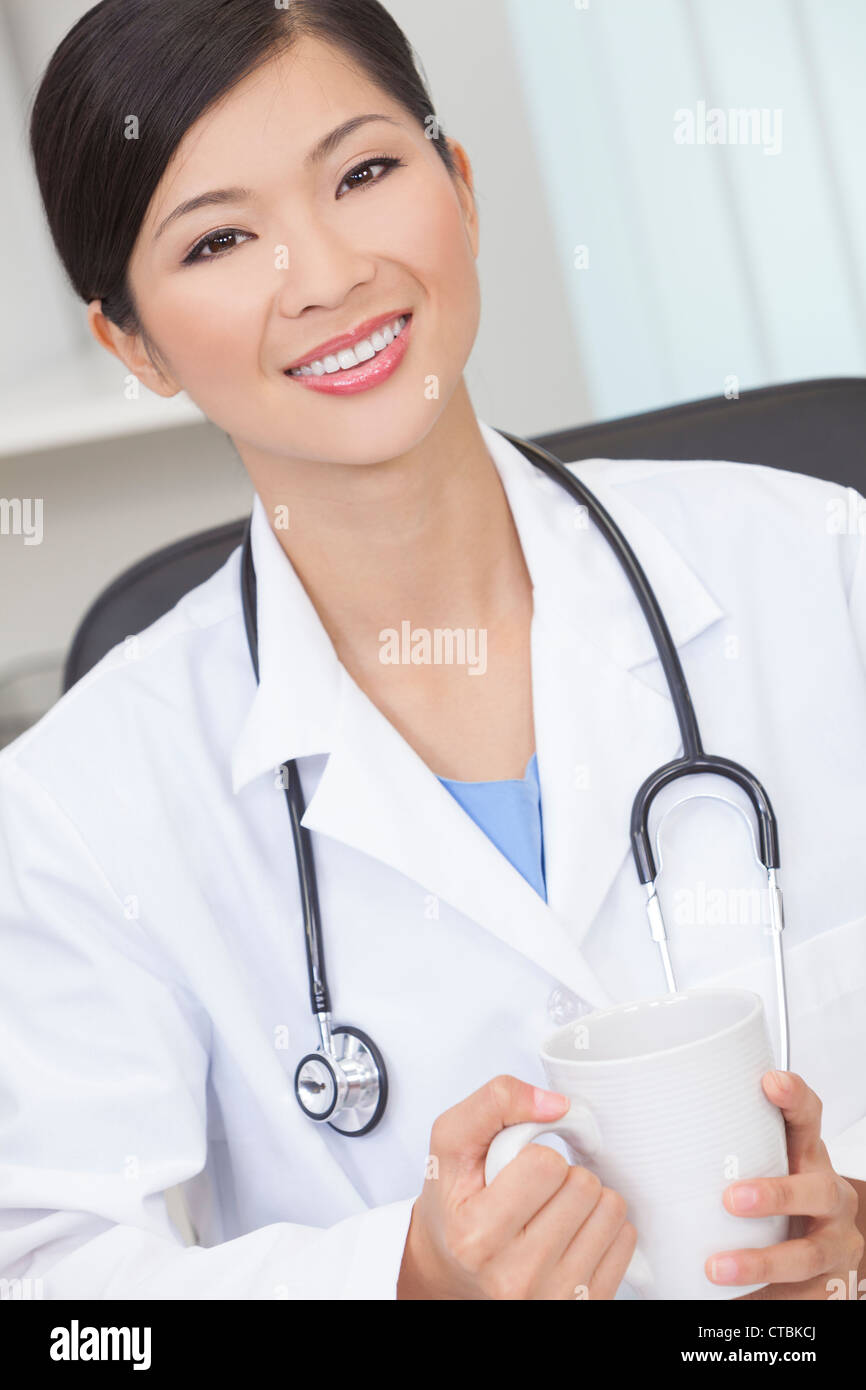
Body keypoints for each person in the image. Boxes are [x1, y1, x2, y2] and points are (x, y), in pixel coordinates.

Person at [1, 0, 863, 1301]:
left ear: (458, 183)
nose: (324, 273)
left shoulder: (821, 568)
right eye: (220, 238)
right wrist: (402, 1279)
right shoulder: (77, 809)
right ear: (133, 343)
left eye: (362, 173)